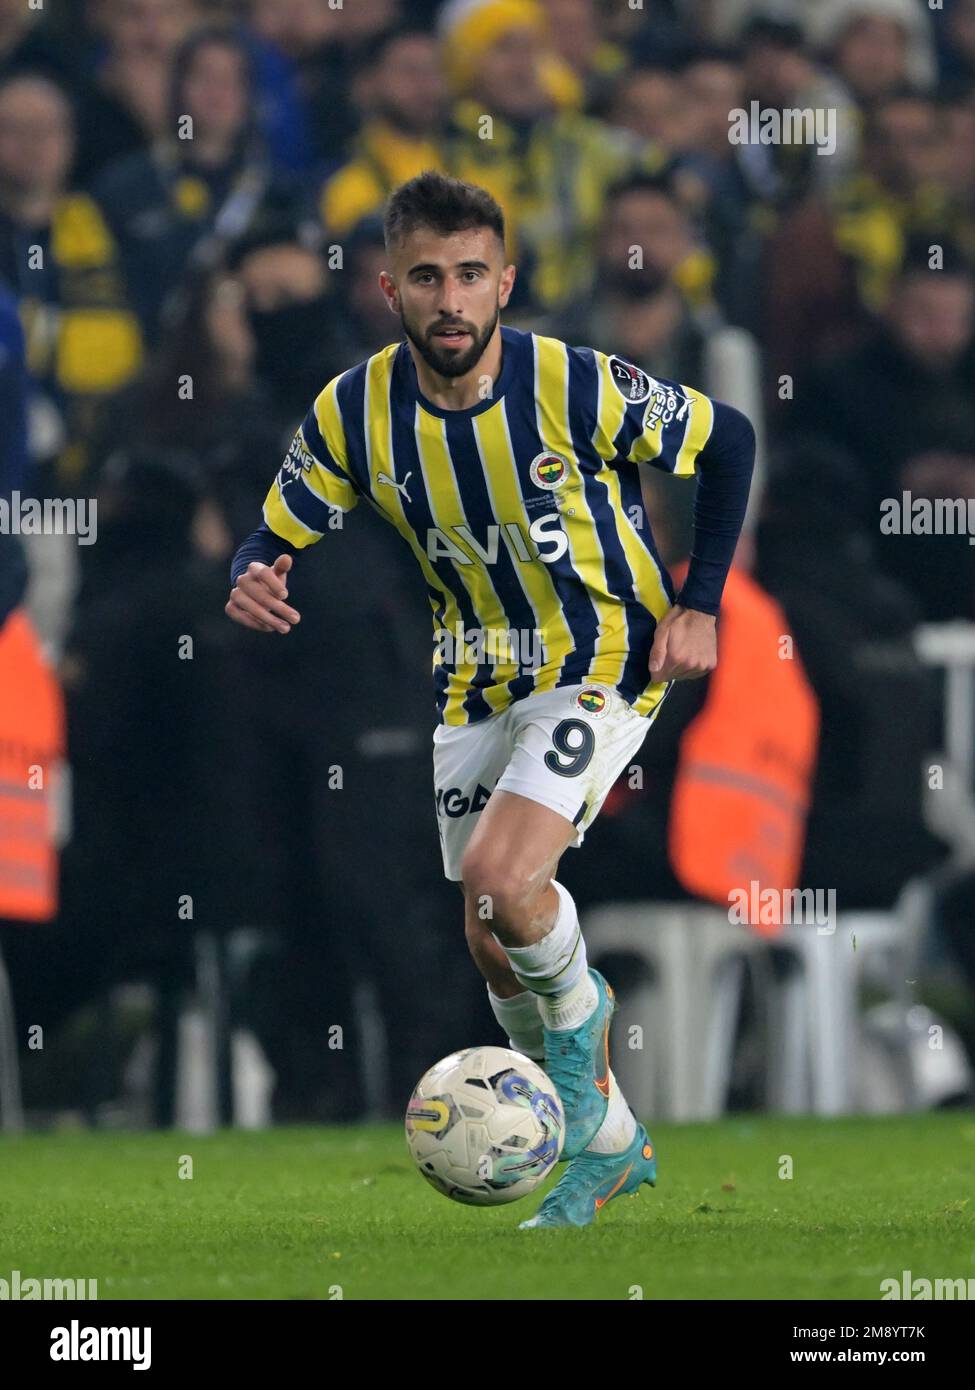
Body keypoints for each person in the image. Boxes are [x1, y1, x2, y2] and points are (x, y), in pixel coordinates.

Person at [225, 171, 755, 1227]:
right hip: (472, 682)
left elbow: (728, 437)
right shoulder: (354, 409)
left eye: (472, 274)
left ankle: (574, 1053)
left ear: (506, 281)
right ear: (392, 288)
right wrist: (253, 569)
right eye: (429, 277)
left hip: (602, 655)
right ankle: (607, 1142)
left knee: (502, 876)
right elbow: (278, 523)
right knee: (486, 927)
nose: (451, 299)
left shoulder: (572, 382)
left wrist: (701, 601)